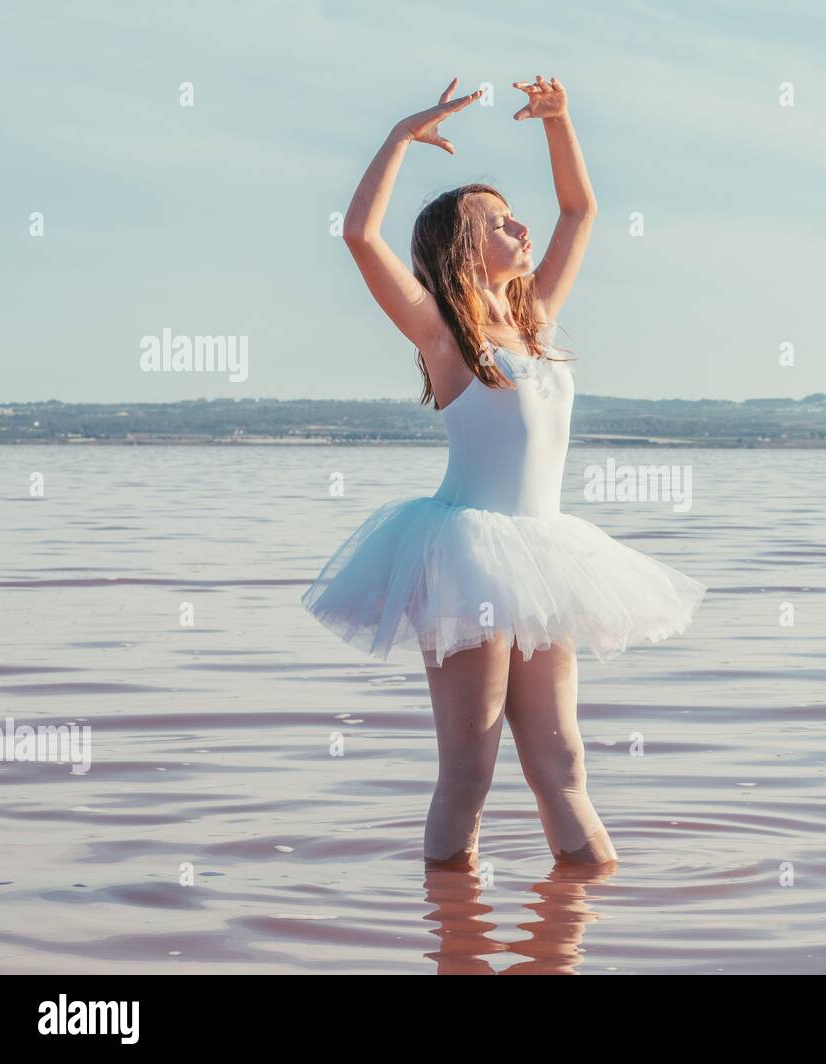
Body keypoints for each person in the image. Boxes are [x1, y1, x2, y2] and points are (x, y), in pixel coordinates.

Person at [302, 76, 706, 869]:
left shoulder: (536, 321)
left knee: (564, 766)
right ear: (461, 248)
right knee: (471, 773)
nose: (518, 227)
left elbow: (581, 212)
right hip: (466, 559)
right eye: (496, 221)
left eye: (512, 214)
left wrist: (560, 120)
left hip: (548, 557)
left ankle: (584, 924)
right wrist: (399, 136)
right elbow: (357, 234)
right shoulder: (443, 334)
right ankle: (456, 935)